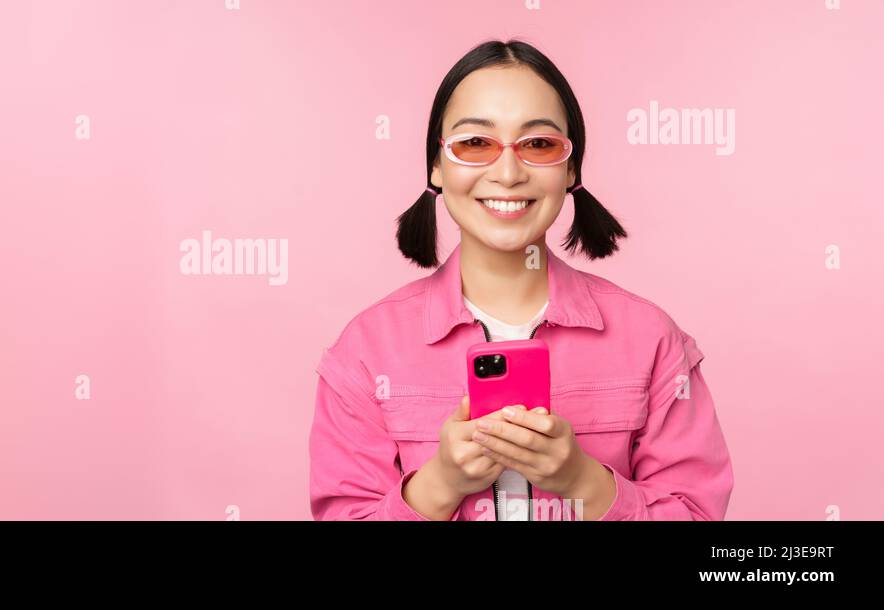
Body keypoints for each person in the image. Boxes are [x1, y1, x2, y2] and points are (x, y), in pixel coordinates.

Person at [309, 39, 733, 521]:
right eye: (474, 143)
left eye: (538, 144)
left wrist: (581, 481)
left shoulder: (653, 340)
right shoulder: (365, 351)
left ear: (570, 168)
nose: (508, 173)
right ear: (436, 165)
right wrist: (440, 485)